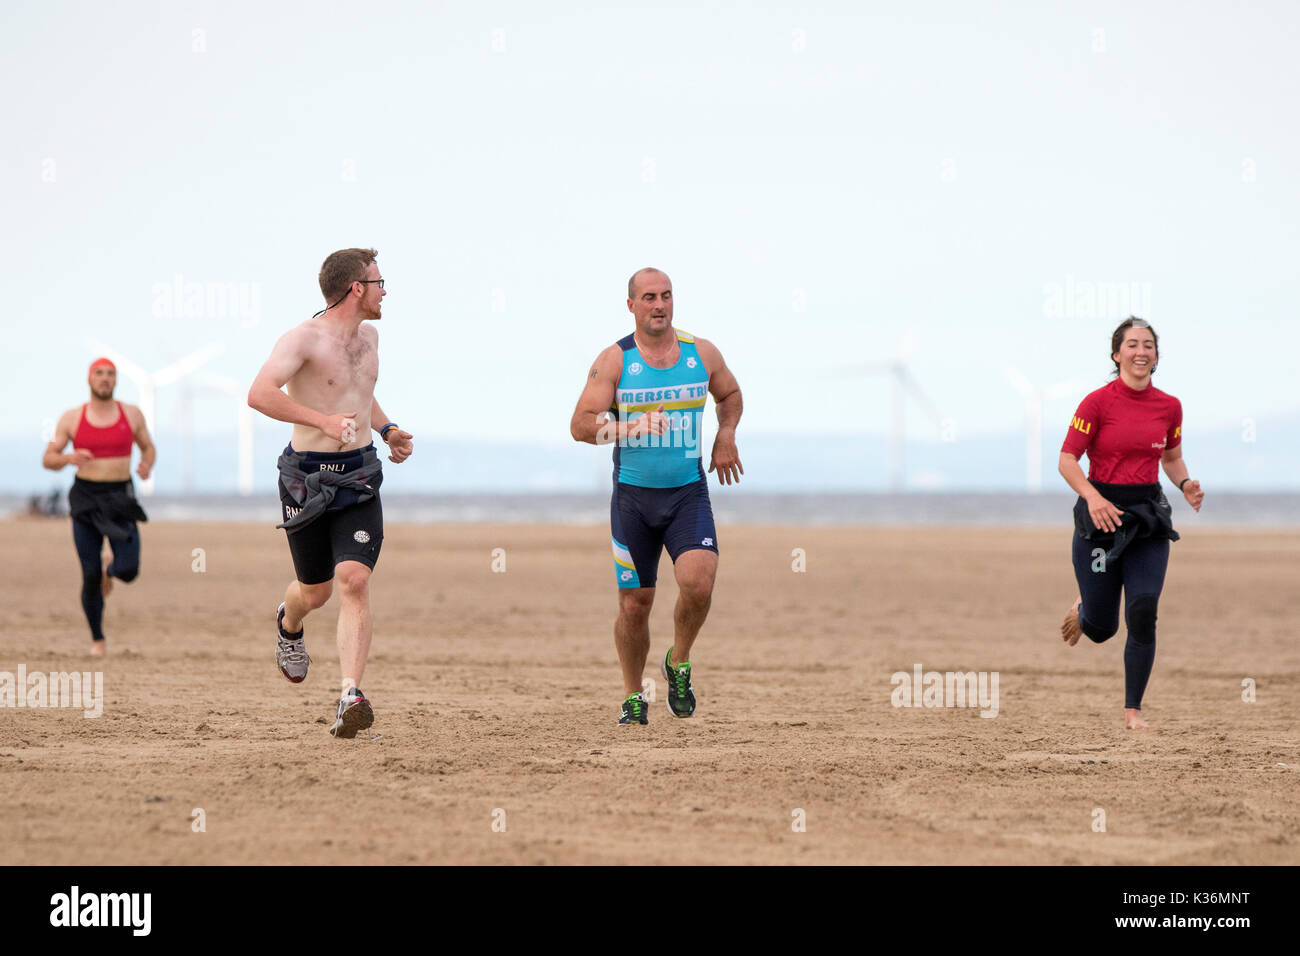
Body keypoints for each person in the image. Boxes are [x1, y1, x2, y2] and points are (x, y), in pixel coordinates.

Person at [247, 248, 414, 738]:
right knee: (315, 592)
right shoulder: (302, 339)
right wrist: (322, 421)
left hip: (359, 474)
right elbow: (259, 393)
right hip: (306, 476)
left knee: (354, 581)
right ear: (357, 289)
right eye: (381, 282)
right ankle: (288, 623)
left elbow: (359, 393)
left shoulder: (371, 337)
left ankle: (349, 694)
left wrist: (387, 429)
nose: (386, 291)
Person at [570, 267, 743, 724]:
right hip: (633, 500)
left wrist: (725, 434)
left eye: (666, 296)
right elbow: (580, 425)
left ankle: (678, 660)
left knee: (699, 583)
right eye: (649, 297)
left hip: (687, 494)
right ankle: (632, 695)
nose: (659, 305)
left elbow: (730, 394)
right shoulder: (615, 361)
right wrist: (630, 426)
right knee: (635, 603)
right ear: (631, 305)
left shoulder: (700, 353)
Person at [1058, 317, 1204, 730]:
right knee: (1102, 629)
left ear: (1157, 355)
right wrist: (1092, 497)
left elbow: (1171, 457)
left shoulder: (1169, 406)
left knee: (1143, 610)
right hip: (1101, 517)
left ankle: (1133, 711)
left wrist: (1186, 483)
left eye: (1149, 345)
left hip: (1147, 519)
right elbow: (1067, 459)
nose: (1142, 351)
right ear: (1117, 353)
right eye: (1133, 344)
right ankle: (1086, 606)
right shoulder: (1096, 403)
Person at [42, 358, 156, 657]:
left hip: (121, 497)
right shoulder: (71, 418)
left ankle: (112, 567)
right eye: (99, 373)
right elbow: (48, 458)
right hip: (86, 498)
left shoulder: (131, 414)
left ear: (116, 381)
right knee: (89, 574)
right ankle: (98, 639)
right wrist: (68, 457)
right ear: (89, 379)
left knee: (129, 570)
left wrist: (146, 464)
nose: (105, 378)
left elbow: (148, 446)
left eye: (111, 374)